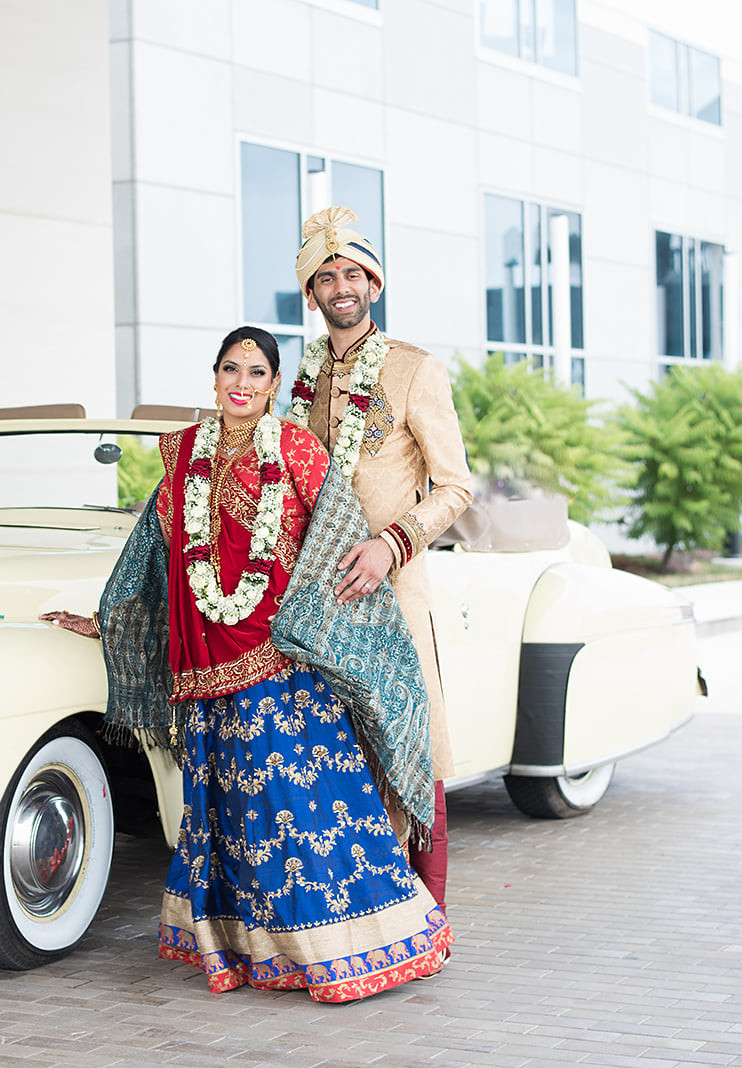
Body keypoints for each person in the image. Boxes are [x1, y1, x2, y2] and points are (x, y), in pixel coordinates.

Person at [43, 326, 449, 1003]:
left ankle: (344, 950)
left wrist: (339, 621)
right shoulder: (181, 454)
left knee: (300, 811)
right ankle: (252, 952)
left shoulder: (296, 449)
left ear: (273, 383)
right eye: (231, 368)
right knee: (233, 819)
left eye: (257, 372)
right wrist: (109, 621)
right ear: (214, 377)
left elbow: (338, 538)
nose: (242, 382)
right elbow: (151, 555)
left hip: (282, 666)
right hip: (205, 670)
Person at [285, 206, 473, 921]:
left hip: (394, 586)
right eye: (326, 276)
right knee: (333, 756)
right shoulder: (300, 377)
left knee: (411, 742)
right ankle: (354, 919)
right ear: (311, 294)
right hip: (319, 597)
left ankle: (425, 920)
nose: (342, 286)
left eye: (353, 274)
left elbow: (456, 486)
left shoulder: (414, 369)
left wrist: (391, 542)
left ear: (374, 284)